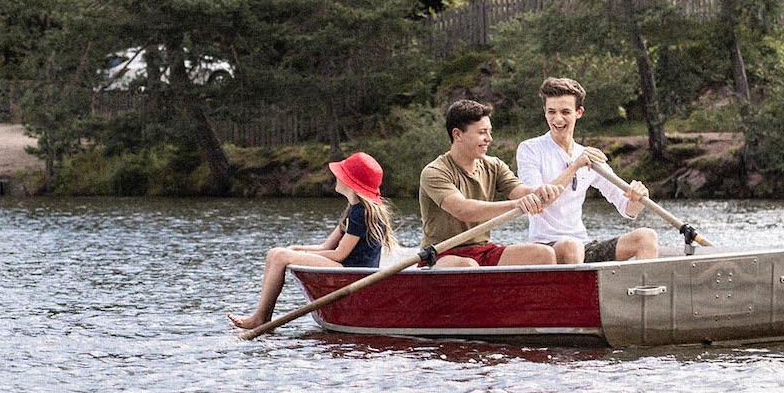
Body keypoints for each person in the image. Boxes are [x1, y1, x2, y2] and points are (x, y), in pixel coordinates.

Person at [227, 151, 396, 331]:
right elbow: (326, 247)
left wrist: (296, 255)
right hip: (345, 267)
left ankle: (260, 319)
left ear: (351, 183)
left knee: (280, 256)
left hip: (354, 272)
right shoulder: (352, 209)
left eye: (341, 175)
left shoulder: (361, 213)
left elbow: (339, 255)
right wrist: (297, 249)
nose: (336, 177)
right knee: (275, 253)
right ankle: (262, 317)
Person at [515, 77, 661, 264]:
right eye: (551, 112)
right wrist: (575, 166)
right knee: (571, 246)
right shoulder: (530, 149)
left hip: (582, 245)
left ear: (579, 112)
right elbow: (537, 201)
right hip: (546, 248)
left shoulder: (587, 156)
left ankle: (645, 292)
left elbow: (627, 209)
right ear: (545, 112)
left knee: (646, 237)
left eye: (565, 112)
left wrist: (638, 198)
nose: (557, 119)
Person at [419, 99, 565, 268]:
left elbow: (522, 192)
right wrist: (516, 205)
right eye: (482, 132)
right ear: (457, 135)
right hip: (441, 254)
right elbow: (463, 210)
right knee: (468, 266)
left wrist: (539, 192)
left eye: (489, 132)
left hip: (483, 250)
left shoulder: (494, 165)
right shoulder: (434, 172)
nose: (489, 139)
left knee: (543, 254)